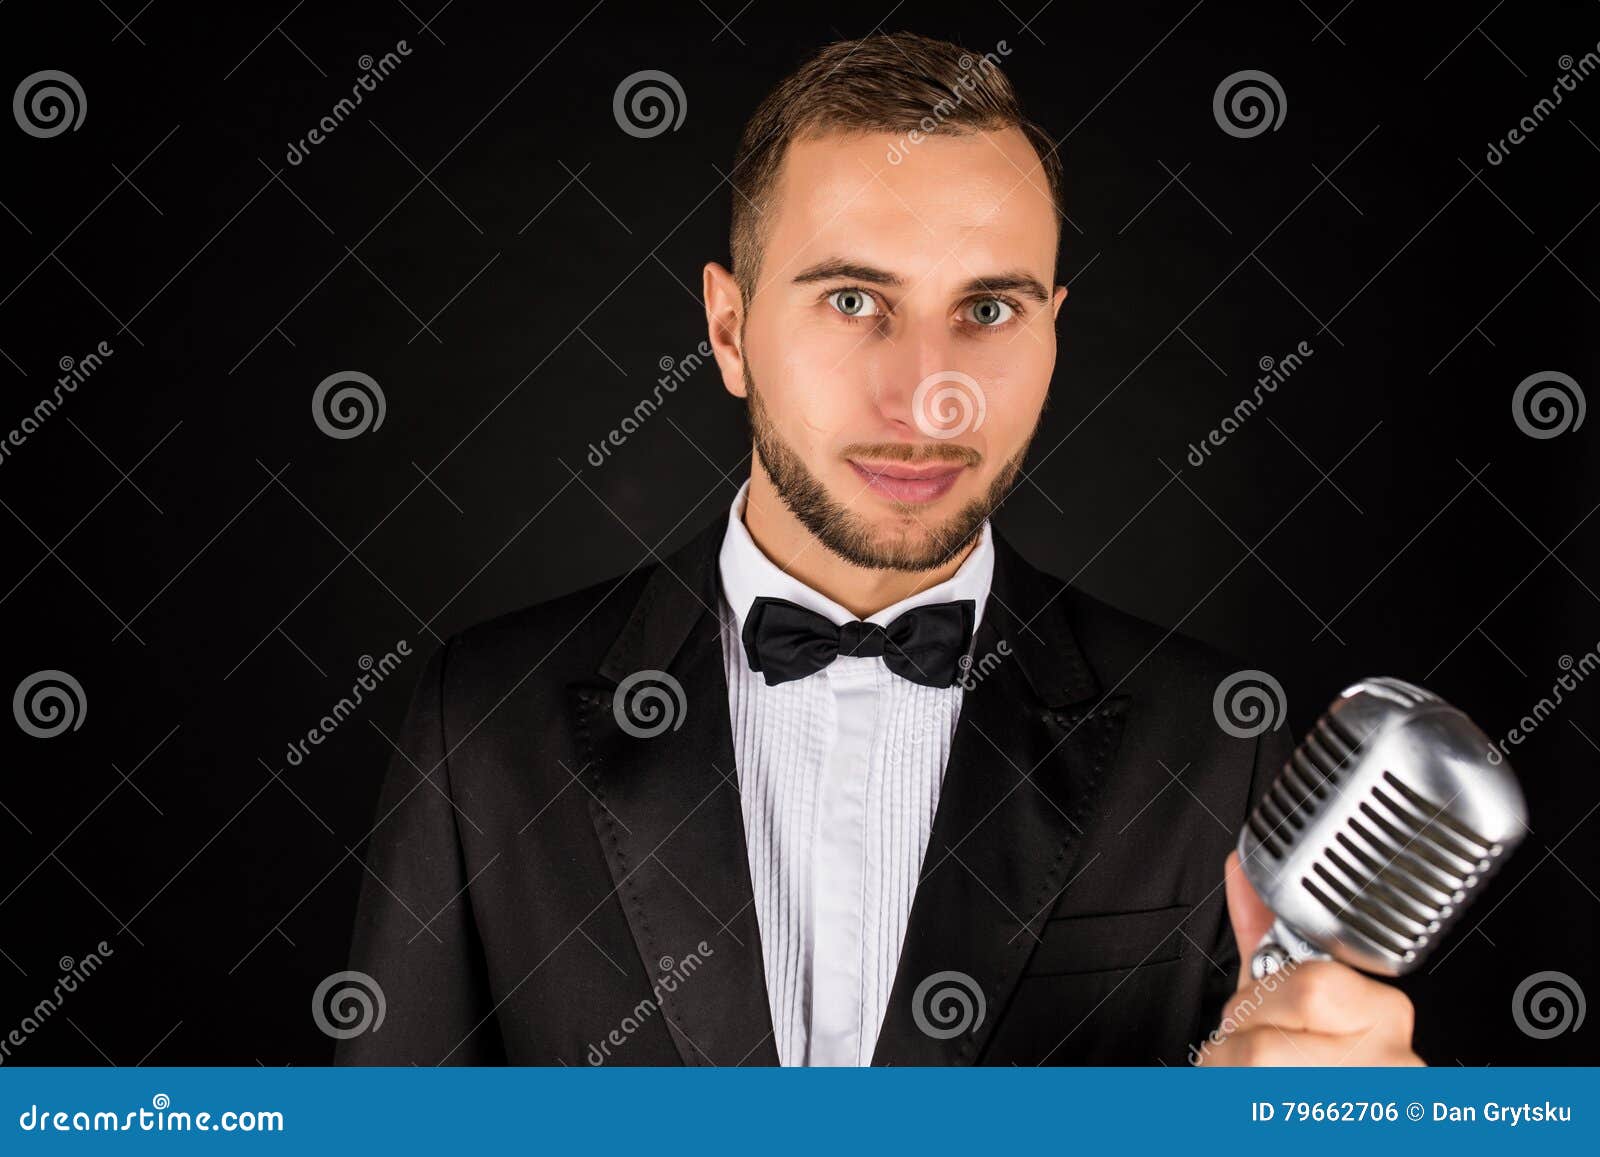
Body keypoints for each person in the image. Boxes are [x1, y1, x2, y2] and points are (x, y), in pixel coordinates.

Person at [336, 31, 1420, 1067]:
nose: (926, 395)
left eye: (988, 307)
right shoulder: (481, 720)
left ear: (1052, 333)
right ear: (728, 330)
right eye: (853, 300)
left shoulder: (1217, 736)